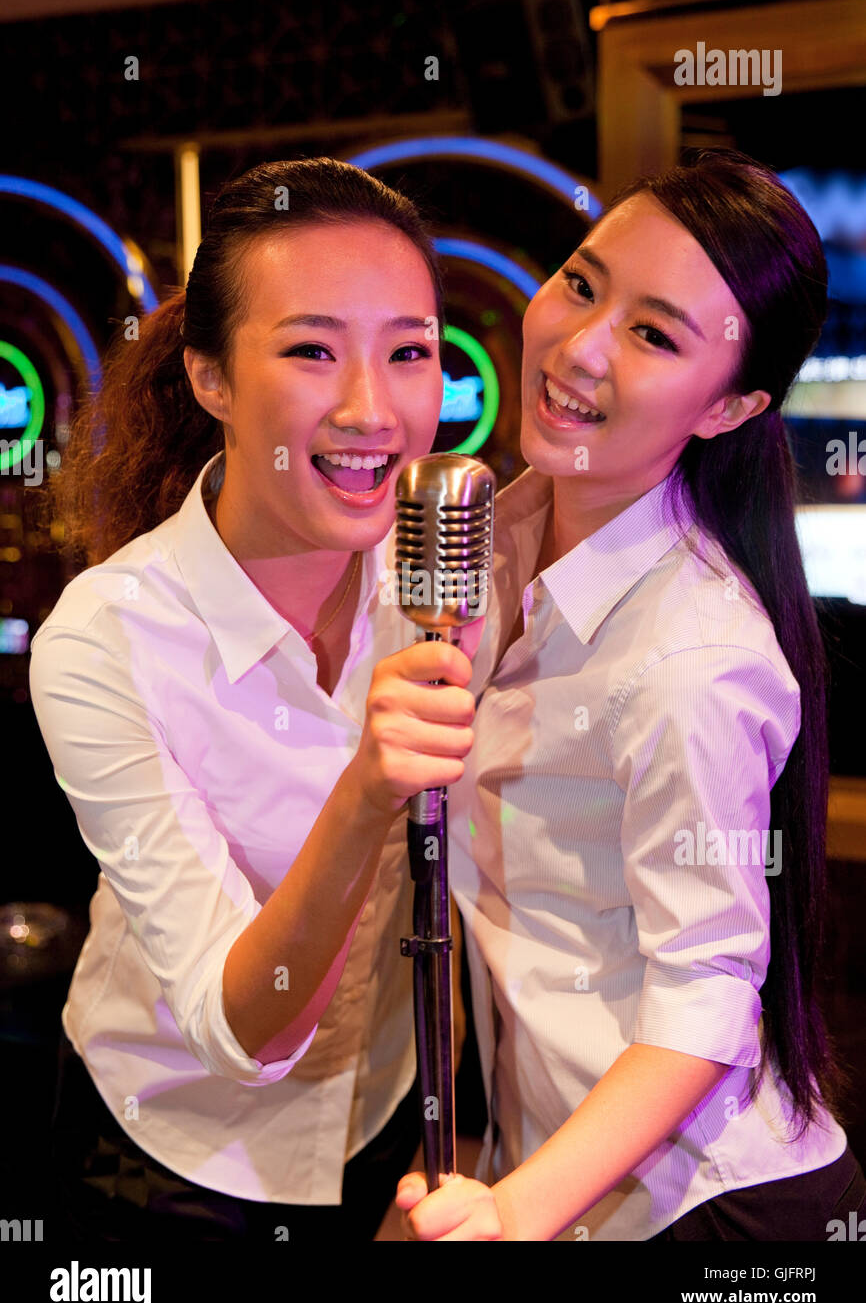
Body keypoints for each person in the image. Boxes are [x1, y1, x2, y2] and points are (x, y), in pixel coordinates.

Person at [396, 147, 866, 1241]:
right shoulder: (489, 533)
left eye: (652, 334)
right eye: (579, 282)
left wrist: (512, 1214)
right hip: (560, 1175)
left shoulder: (690, 656)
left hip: (708, 1213)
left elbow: (704, 1008)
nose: (578, 346)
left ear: (729, 405)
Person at [30, 156, 480, 1242]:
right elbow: (246, 1027)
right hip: (170, 1153)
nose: (374, 409)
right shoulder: (107, 636)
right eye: (312, 350)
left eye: (409, 352)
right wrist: (365, 789)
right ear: (211, 379)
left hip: (392, 1117)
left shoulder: (444, 569)